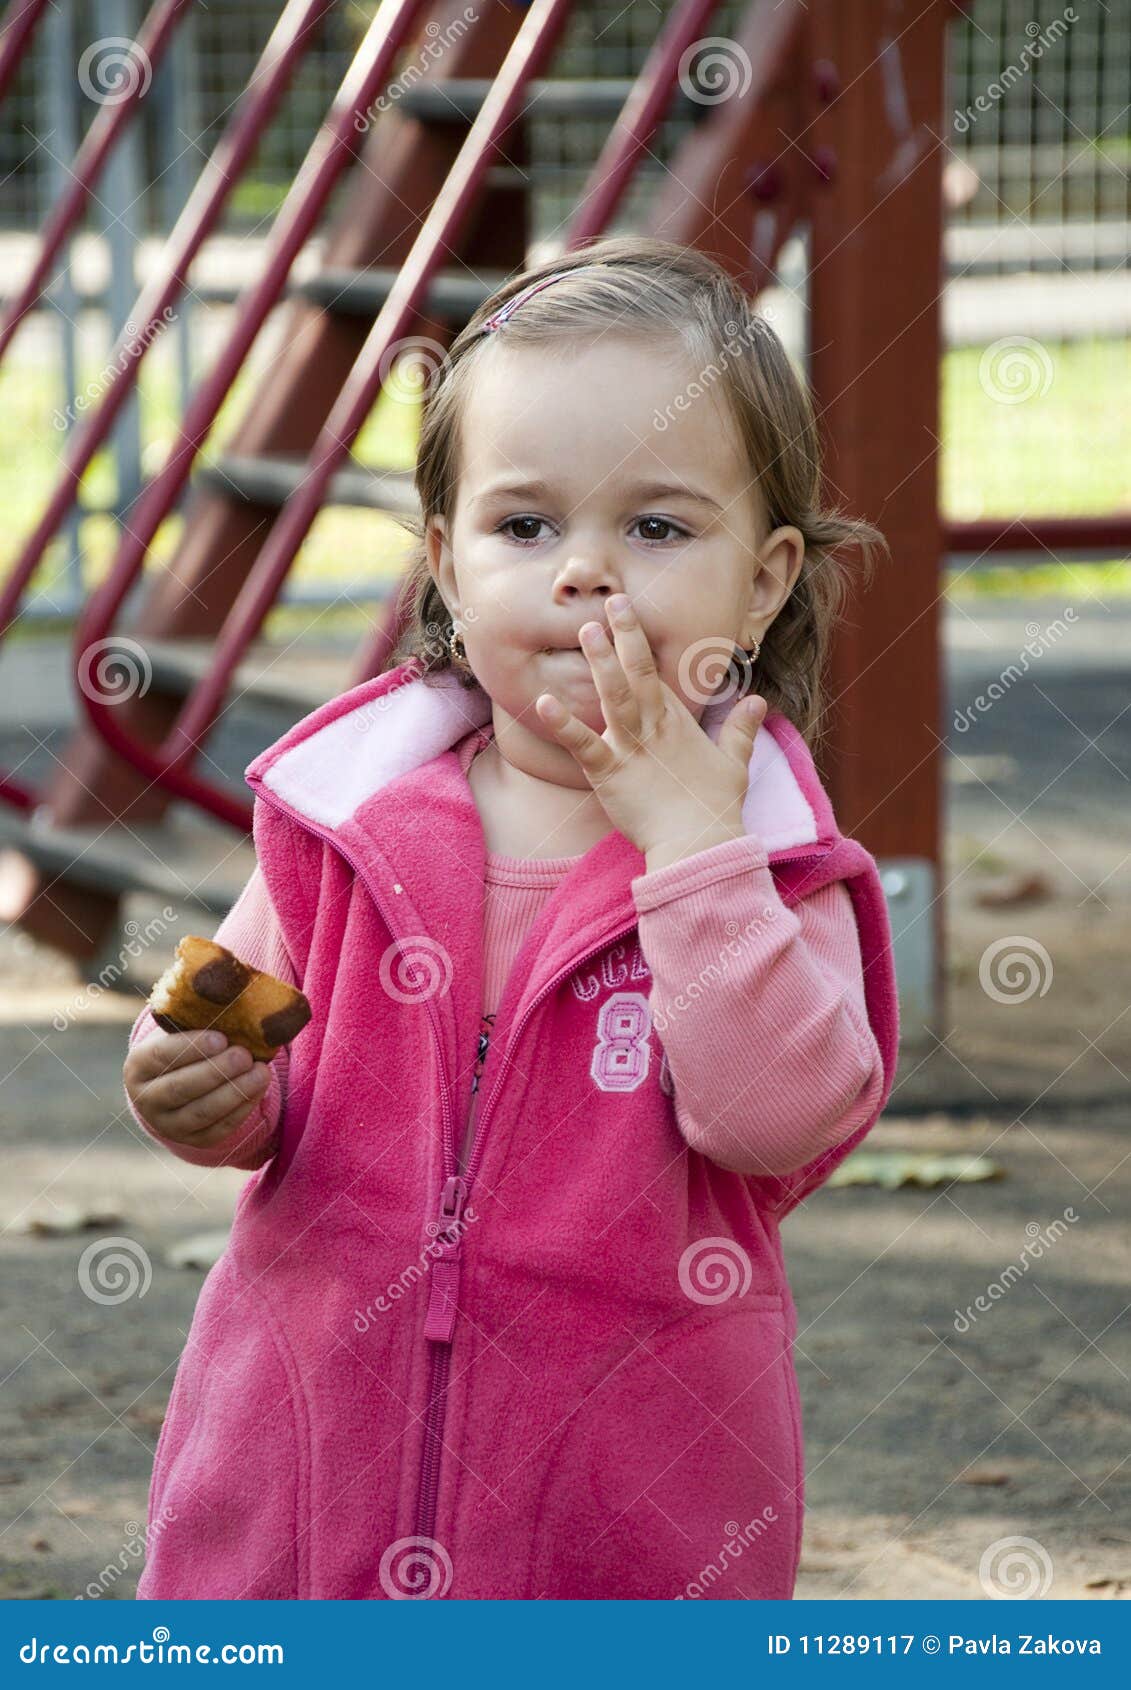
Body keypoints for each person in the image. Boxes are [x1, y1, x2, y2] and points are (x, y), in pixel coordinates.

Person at [122, 234, 900, 1601]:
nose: (585, 572)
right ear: (445, 561)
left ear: (765, 579)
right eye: (526, 527)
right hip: (299, 1498)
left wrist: (692, 849)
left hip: (622, 1534)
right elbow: (252, 1065)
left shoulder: (775, 865)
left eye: (657, 529)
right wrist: (197, 1090)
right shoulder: (344, 822)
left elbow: (781, 1120)